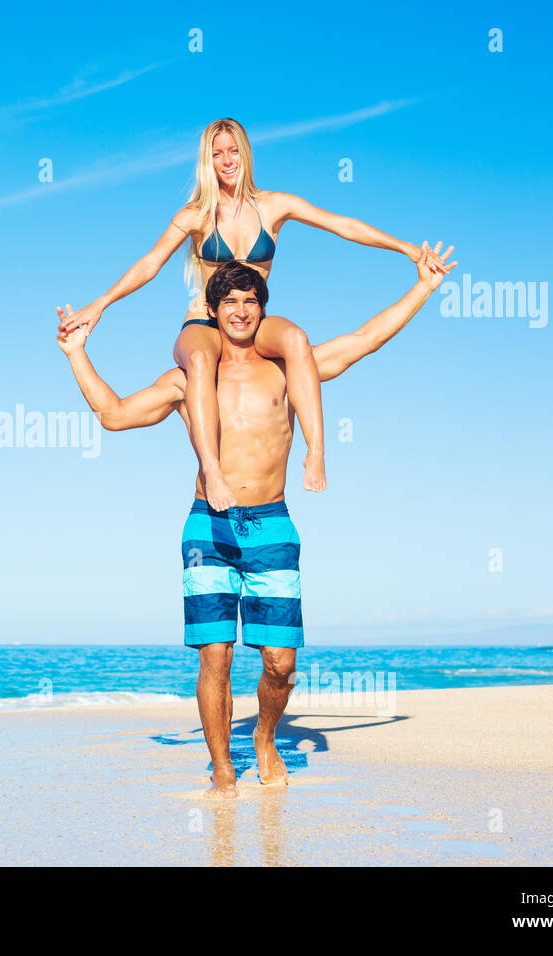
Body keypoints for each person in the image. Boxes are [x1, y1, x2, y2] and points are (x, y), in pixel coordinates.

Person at [57, 242, 456, 798]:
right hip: (209, 526)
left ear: (261, 310)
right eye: (230, 302)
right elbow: (114, 415)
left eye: (251, 301)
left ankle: (265, 737)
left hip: (271, 523)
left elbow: (363, 341)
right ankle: (223, 768)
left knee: (279, 660)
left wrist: (423, 287)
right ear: (213, 313)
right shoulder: (190, 379)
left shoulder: (288, 370)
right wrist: (77, 353)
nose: (241, 310)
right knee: (214, 656)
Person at [58, 117, 444, 510]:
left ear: (245, 152)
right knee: (202, 359)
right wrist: (100, 305)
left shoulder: (276, 206)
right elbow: (150, 264)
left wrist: (409, 250)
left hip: (252, 321)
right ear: (207, 162)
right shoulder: (195, 215)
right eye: (217, 153)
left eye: (233, 150)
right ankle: (212, 469)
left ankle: (316, 453)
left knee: (295, 339)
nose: (227, 160)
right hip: (205, 323)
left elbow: (341, 226)